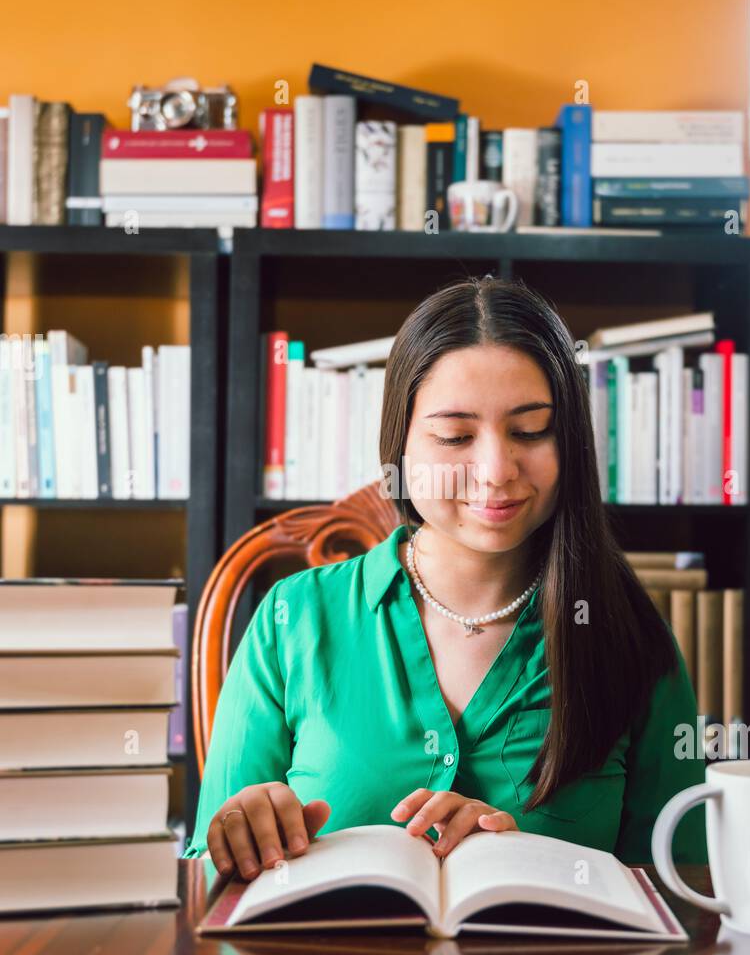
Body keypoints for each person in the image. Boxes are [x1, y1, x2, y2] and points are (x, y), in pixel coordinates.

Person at [184, 276, 708, 877]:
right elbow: (205, 871)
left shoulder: (630, 637)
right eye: (456, 436)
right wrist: (239, 834)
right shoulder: (291, 619)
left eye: (531, 430)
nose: (495, 470)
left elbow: (679, 888)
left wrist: (529, 862)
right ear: (400, 445)